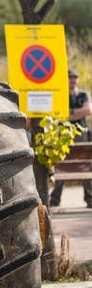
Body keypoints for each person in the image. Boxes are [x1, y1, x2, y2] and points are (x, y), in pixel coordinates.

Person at [50, 69, 92, 207]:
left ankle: (90, 198)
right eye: (70, 77)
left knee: (85, 165)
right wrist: (76, 113)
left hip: (81, 134)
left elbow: (89, 111)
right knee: (61, 166)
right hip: (64, 135)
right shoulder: (60, 95)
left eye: (75, 77)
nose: (73, 80)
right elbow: (58, 114)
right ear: (66, 80)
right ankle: (55, 200)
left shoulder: (84, 94)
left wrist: (70, 113)